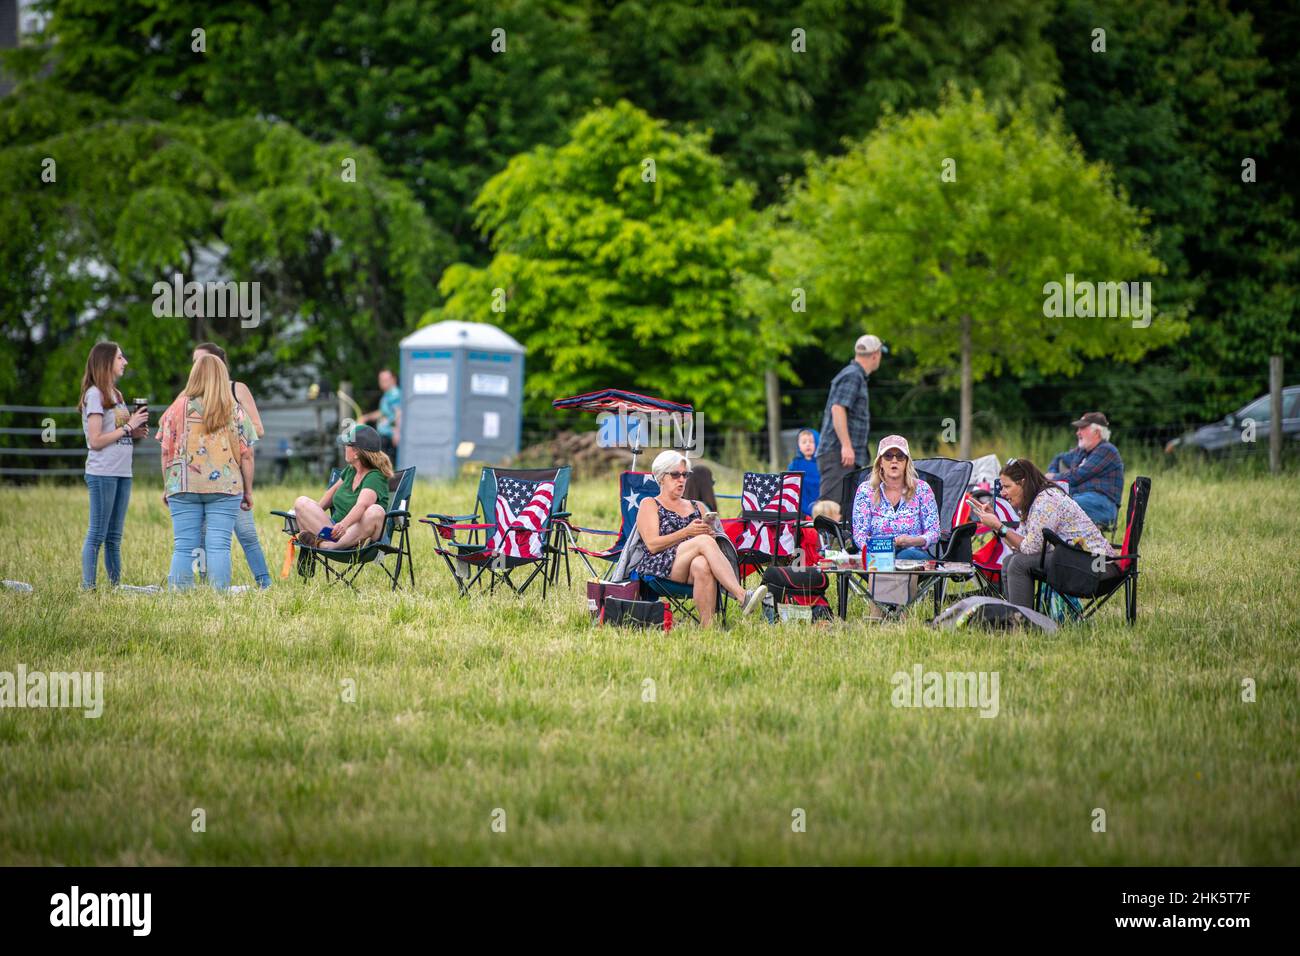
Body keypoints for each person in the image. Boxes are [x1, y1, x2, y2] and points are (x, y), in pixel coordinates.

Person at [158, 354, 258, 591]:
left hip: (182, 484)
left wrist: (167, 484)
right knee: (219, 545)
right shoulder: (233, 409)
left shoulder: (176, 408)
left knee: (183, 545)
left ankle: (179, 595)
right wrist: (249, 491)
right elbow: (247, 455)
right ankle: (218, 595)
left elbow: (165, 452)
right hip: (225, 485)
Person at [635, 450, 767, 625]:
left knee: (702, 564)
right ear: (660, 477)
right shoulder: (650, 504)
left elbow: (713, 542)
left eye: (685, 474)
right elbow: (652, 545)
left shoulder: (698, 506)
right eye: (675, 475)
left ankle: (708, 629)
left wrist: (711, 535)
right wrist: (687, 533)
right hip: (661, 565)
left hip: (692, 564)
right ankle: (742, 596)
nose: (681, 480)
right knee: (702, 543)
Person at [970, 457, 1119, 609]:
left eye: (1006, 487)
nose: (1002, 493)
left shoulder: (1045, 501)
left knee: (1018, 564)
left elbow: (1029, 549)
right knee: (1010, 560)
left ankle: (1021, 620)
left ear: (1023, 483)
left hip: (1097, 566)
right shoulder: (1033, 502)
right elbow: (1020, 546)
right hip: (1079, 558)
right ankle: (1015, 616)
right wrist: (996, 525)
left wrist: (999, 526)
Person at [192, 343, 271, 589]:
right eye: (194, 361)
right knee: (202, 536)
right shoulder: (191, 398)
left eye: (201, 361)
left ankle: (264, 582)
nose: (195, 367)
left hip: (232, 475)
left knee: (246, 533)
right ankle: (206, 585)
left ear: (217, 363)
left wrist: (230, 429)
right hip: (202, 479)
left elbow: (257, 428)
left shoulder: (236, 390)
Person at [78, 342, 148, 589]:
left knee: (114, 537)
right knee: (97, 533)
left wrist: (134, 432)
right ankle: (88, 588)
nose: (125, 361)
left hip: (122, 472)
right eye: (120, 357)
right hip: (102, 472)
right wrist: (128, 427)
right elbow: (95, 441)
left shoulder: (116, 395)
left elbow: (117, 432)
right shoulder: (94, 394)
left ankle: (115, 586)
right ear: (106, 362)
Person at [292, 425, 393, 551]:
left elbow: (362, 505)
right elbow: (331, 493)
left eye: (347, 445)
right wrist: (309, 514)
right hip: (334, 532)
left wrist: (343, 525)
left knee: (375, 511)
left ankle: (329, 546)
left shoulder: (375, 477)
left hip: (359, 534)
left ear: (356, 452)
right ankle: (323, 543)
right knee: (301, 502)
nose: (344, 447)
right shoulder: (350, 471)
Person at [817, 334, 886, 508]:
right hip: (838, 455)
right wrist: (846, 446)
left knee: (845, 512)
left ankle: (837, 537)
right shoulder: (853, 375)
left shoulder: (855, 375)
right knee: (830, 510)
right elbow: (837, 408)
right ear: (875, 355)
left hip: (841, 456)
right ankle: (824, 537)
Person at [850, 435, 939, 561]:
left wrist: (912, 541)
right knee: (884, 559)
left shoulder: (922, 489)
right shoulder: (866, 490)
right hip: (876, 553)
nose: (894, 460)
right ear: (880, 462)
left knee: (905, 556)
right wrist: (881, 548)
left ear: (907, 462)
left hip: (913, 552)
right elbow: (860, 534)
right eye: (888, 456)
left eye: (900, 456)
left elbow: (934, 532)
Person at [1045, 412, 1124, 528]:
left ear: (1097, 432)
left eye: (1082, 428)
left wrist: (1052, 479)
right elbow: (1059, 458)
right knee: (1049, 502)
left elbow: (1077, 476)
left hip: (1102, 505)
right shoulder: (1082, 451)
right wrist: (1051, 477)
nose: (1077, 432)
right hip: (1081, 499)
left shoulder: (1107, 450)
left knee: (1055, 504)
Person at [361, 368, 401, 459]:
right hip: (384, 436)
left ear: (393, 379)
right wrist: (366, 417)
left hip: (389, 437)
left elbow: (399, 412)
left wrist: (397, 431)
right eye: (381, 380)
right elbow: (383, 412)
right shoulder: (387, 394)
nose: (382, 382)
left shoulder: (395, 394)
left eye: (386, 380)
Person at [788, 428, 821, 516]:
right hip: (802, 502)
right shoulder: (795, 464)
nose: (808, 445)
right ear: (799, 445)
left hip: (818, 499)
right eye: (804, 442)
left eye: (811, 442)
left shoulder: (821, 463)